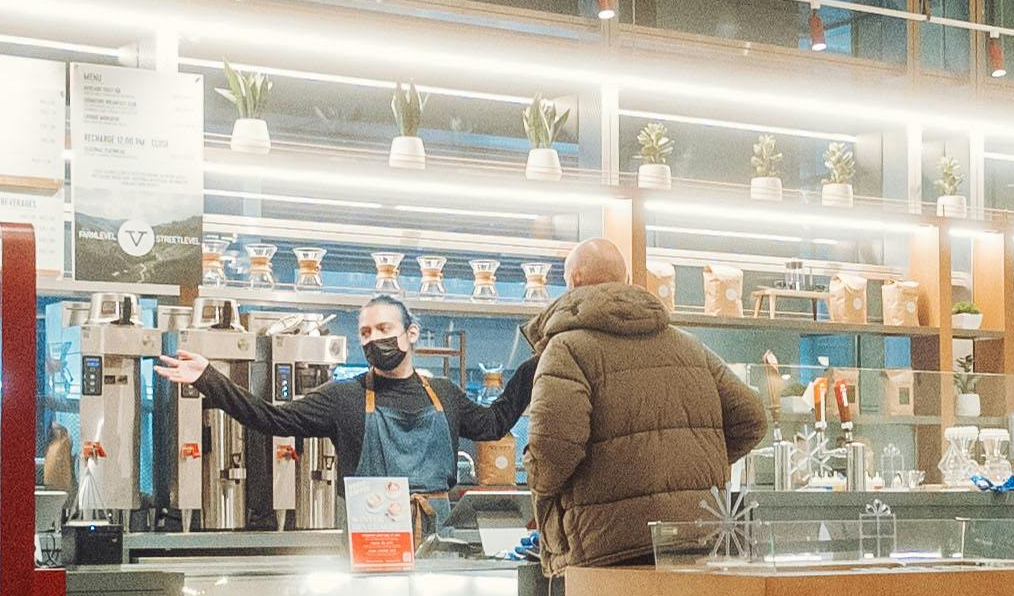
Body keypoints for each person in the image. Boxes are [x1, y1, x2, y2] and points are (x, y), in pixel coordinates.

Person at [160, 290, 533, 522]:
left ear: (411, 333)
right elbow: (272, 419)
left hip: (437, 538)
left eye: (385, 329)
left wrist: (540, 364)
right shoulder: (343, 397)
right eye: (366, 333)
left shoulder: (445, 393)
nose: (375, 340)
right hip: (370, 539)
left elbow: (494, 424)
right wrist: (209, 378)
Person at [521, 238, 770, 565]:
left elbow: (554, 450)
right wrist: (695, 468)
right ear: (625, 280)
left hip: (606, 547)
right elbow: (752, 418)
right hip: (695, 537)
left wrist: (537, 479)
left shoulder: (567, 349)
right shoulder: (689, 346)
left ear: (575, 280)